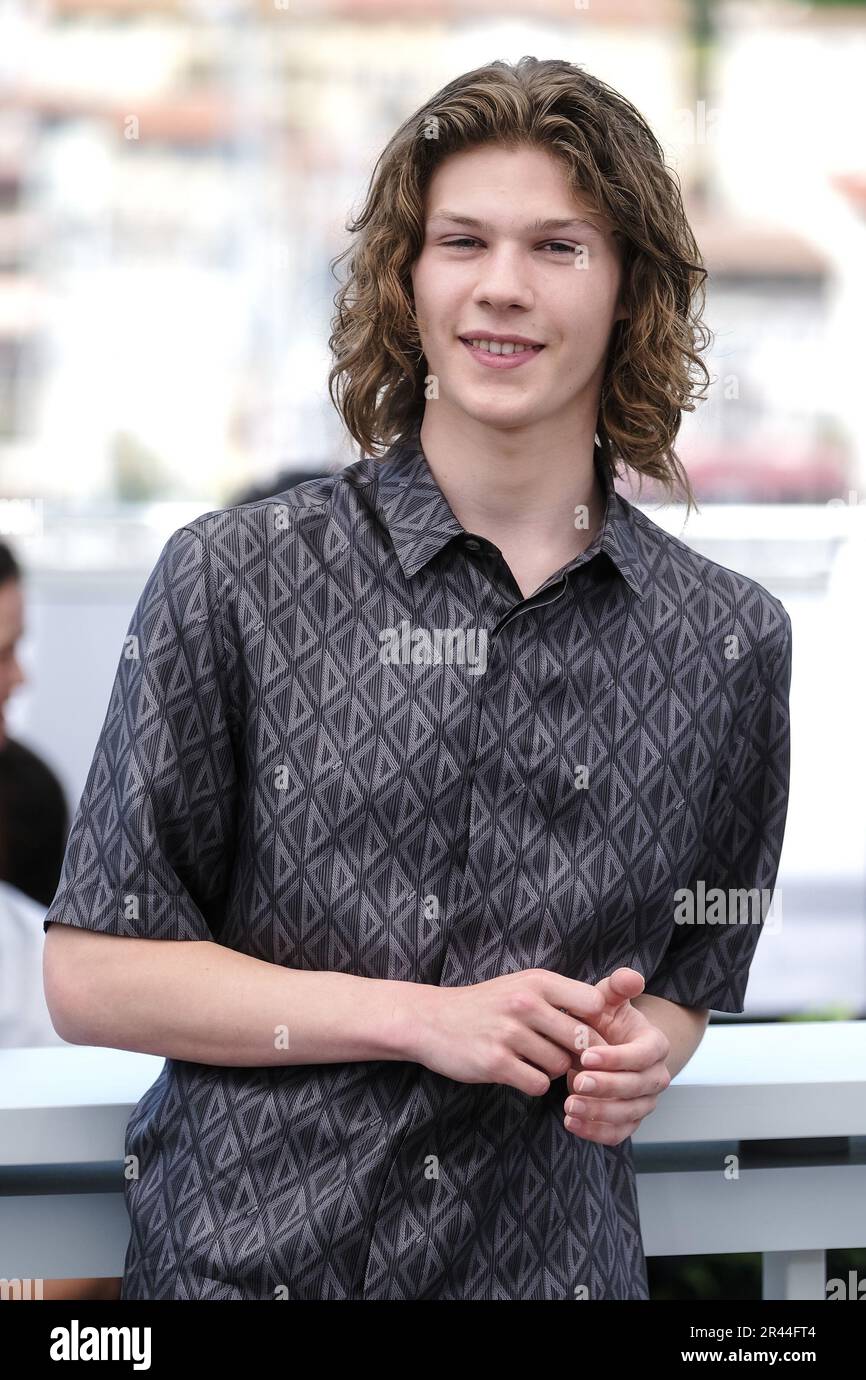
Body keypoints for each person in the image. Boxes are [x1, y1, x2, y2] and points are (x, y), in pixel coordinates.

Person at [42, 57, 792, 1301]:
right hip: (248, 1271)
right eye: (463, 241)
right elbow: (91, 969)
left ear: (628, 291)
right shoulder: (232, 578)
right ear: (406, 278)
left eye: (558, 245)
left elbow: (689, 982)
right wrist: (417, 1015)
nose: (502, 286)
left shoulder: (728, 640)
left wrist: (638, 1051)